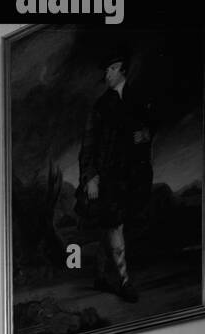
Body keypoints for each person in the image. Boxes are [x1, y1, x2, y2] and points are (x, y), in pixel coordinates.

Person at [77, 46, 153, 303]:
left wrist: (145, 135)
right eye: (106, 69)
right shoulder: (100, 106)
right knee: (114, 226)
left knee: (110, 228)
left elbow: (148, 127)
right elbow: (88, 144)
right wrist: (90, 177)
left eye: (111, 69)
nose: (106, 73)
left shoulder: (137, 99)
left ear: (123, 70)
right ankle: (124, 281)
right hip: (107, 178)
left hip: (132, 177)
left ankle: (100, 275)